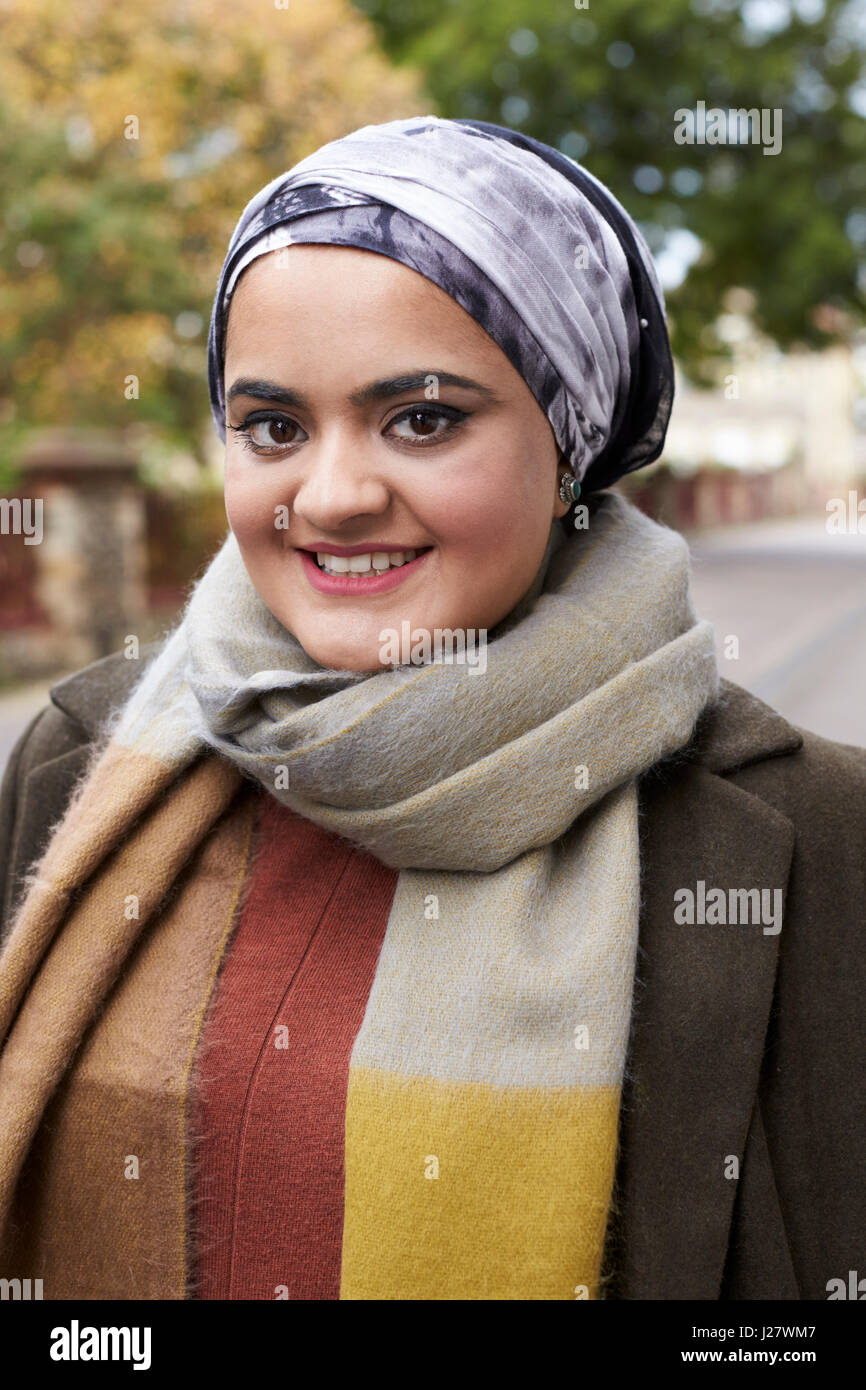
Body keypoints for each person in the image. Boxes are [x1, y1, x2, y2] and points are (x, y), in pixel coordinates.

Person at [0, 116, 863, 1302]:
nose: (335, 495)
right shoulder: (81, 761)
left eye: (422, 417)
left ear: (567, 446)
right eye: (272, 427)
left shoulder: (812, 832)